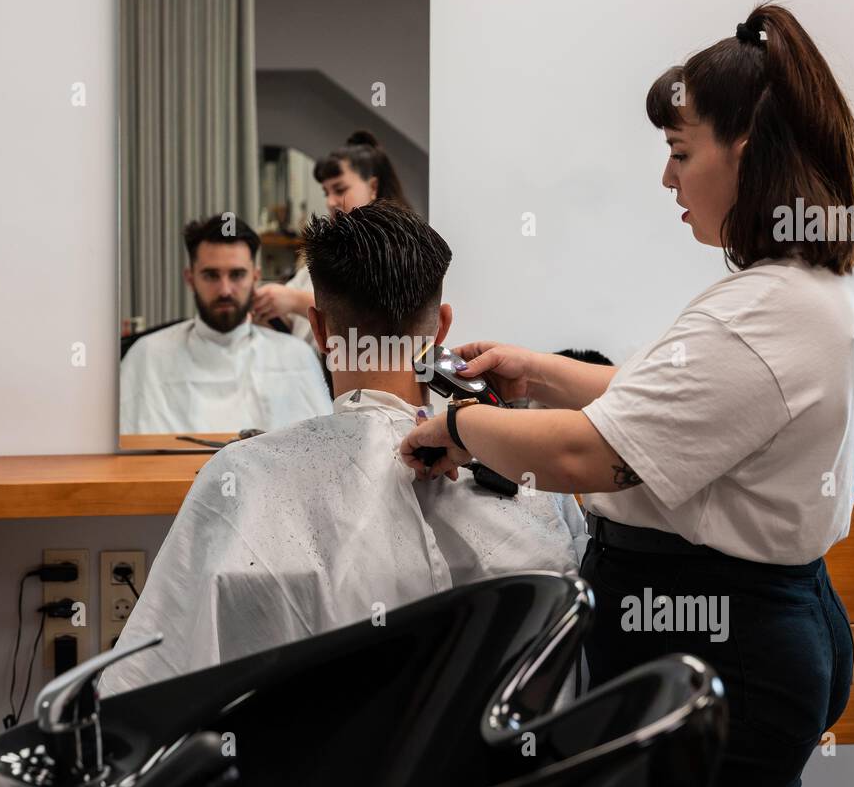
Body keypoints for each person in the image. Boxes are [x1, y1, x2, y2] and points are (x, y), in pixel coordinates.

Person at [400, 4, 854, 787]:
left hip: (723, 643)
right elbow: (682, 408)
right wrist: (540, 369)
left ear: (748, 156)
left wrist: (458, 425)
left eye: (680, 153)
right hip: (766, 620)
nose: (668, 178)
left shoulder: (770, 309)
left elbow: (593, 456)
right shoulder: (817, 282)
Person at [100, 202, 587, 694]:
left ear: (319, 329)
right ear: (441, 327)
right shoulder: (531, 474)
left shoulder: (241, 481)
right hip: (508, 765)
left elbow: (141, 690)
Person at [119, 214, 331, 434]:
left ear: (255, 277)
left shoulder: (295, 355)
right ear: (190, 278)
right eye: (211, 275)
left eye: (237, 275)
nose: (225, 290)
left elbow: (321, 451)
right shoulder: (147, 356)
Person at [251, 130, 411, 342]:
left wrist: (295, 300)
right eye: (326, 192)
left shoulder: (398, 250)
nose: (330, 201)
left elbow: (372, 319)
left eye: (339, 189)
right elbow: (294, 324)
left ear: (373, 186)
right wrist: (267, 310)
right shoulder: (325, 249)